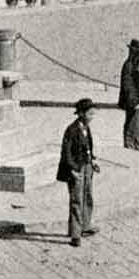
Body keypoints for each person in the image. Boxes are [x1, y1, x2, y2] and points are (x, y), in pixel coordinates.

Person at [57, 98, 100, 246]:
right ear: (81, 114)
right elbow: (66, 153)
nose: (92, 117)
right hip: (76, 169)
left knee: (87, 196)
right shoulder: (72, 130)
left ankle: (85, 225)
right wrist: (73, 170)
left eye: (93, 114)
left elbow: (88, 147)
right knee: (77, 200)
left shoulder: (86, 127)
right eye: (90, 114)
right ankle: (75, 234)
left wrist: (92, 161)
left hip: (86, 166)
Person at [118, 39, 139, 152]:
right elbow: (127, 86)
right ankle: (131, 148)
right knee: (132, 126)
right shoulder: (129, 65)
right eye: (137, 52)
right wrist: (134, 102)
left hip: (136, 101)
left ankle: (136, 147)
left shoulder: (134, 65)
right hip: (133, 102)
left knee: (135, 125)